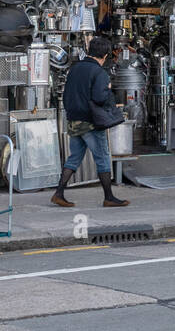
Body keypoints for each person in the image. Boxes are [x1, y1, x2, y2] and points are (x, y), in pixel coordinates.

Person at [52, 36, 129, 208]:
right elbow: (99, 98)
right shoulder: (99, 72)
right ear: (105, 55)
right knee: (102, 158)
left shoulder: (75, 68)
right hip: (91, 122)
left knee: (74, 158)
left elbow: (67, 94)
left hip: (73, 120)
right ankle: (109, 197)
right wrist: (108, 89)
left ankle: (59, 193)